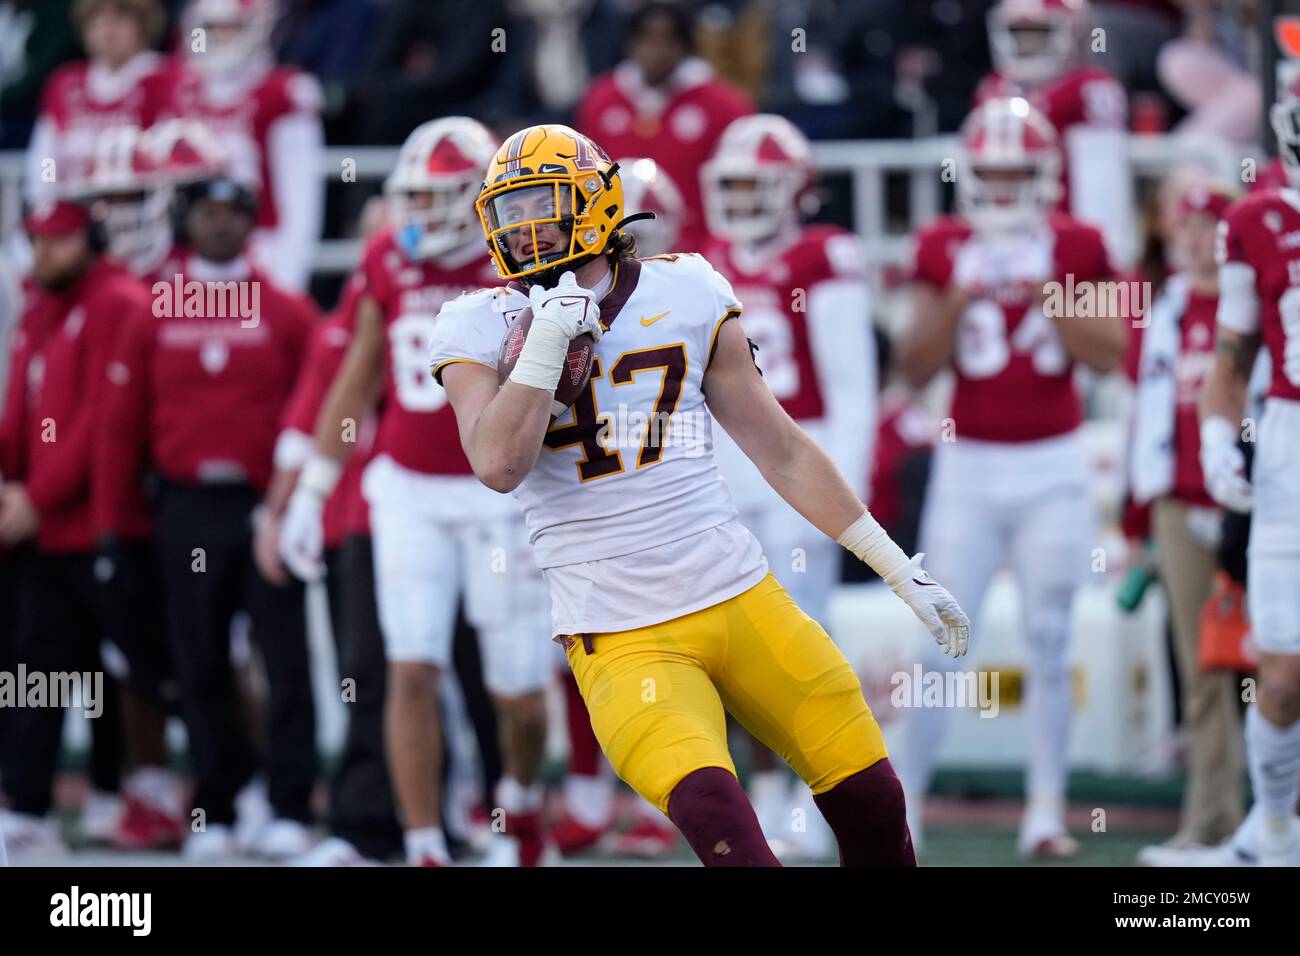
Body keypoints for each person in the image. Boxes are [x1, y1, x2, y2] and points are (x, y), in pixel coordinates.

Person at [429, 123, 970, 867]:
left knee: (875, 803)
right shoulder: (474, 322)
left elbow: (777, 445)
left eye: (541, 205)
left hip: (739, 595)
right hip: (621, 634)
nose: (522, 231)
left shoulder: (687, 289)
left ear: (592, 204)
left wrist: (891, 563)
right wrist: (546, 342)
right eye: (509, 210)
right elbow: (497, 462)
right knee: (729, 834)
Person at [278, 118, 554, 868]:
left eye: (441, 199)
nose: (423, 217)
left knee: (519, 693)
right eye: (415, 199)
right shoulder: (389, 259)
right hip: (407, 491)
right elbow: (359, 372)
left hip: (498, 495)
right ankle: (426, 844)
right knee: (411, 666)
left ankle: (523, 807)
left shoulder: (525, 263)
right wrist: (314, 489)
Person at [896, 98, 1126, 858]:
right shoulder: (942, 244)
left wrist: (1047, 292)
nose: (999, 190)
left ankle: (1047, 810)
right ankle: (908, 810)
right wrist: (962, 290)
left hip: (1054, 463)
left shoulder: (1079, 242)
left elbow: (1110, 353)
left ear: (1045, 176)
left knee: (1049, 639)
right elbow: (913, 364)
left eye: (1013, 175)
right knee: (935, 639)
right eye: (988, 174)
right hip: (966, 465)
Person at [96, 168, 319, 862]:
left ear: (251, 221)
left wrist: (298, 501)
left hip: (266, 508)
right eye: (208, 212)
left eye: (234, 212)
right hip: (185, 506)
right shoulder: (153, 308)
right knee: (198, 661)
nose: (220, 223)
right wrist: (118, 521)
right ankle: (216, 804)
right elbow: (122, 421)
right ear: (187, 220)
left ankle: (287, 804)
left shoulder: (286, 308)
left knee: (284, 660)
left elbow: (315, 408)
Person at [700, 112, 876, 858]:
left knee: (803, 647)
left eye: (755, 184)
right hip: (725, 474)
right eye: (732, 184)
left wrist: (849, 497)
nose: (741, 200)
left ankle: (823, 796)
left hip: (799, 466)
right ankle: (767, 793)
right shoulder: (700, 261)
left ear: (795, 190)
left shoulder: (823, 256)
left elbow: (853, 385)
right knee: (739, 652)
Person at [1167, 79, 1300, 867]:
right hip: (1289, 439)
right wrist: (1219, 437)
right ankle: (1275, 830)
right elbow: (1232, 355)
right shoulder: (1257, 221)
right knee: (1280, 676)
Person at [0, 199, 145, 856]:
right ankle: (36, 804)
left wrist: (36, 496)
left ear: (88, 239)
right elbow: (21, 409)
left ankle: (124, 795)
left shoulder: (116, 301)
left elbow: (102, 421)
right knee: (47, 671)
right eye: (37, 242)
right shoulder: (40, 308)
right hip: (46, 531)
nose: (43, 254)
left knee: (125, 670)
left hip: (100, 525)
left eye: (56, 242)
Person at [1128, 181, 1245, 863]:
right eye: (1188, 226)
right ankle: (1212, 823)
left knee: (1271, 663)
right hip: (1180, 498)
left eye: (1211, 224)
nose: (1199, 239)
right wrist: (1141, 506)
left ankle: (1271, 820)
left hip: (1249, 503)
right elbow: (1148, 411)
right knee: (1202, 668)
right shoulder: (1165, 306)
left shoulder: (1254, 303)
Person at [169, 0, 324, 291]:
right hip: (190, 254)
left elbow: (302, 203)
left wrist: (288, 278)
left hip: (262, 249)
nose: (223, 36)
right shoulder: (180, 90)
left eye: (233, 27)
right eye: (213, 27)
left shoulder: (282, 92)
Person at [575, 1, 753, 252]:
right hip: (616, 247)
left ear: (686, 46)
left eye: (667, 39)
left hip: (698, 250)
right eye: (646, 37)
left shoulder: (723, 105)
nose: (655, 50)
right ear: (630, 43)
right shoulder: (600, 100)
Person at [974, 0, 1137, 266]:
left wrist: (1101, 245)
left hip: (1064, 229)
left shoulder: (1090, 88)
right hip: (1000, 240)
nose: (1027, 43)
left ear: (1070, 33)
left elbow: (1103, 185)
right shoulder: (992, 88)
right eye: (1019, 33)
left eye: (1039, 32)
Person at [25, 0, 175, 203]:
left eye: (119, 19)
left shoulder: (164, 77)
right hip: (74, 210)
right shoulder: (65, 82)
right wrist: (47, 198)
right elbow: (47, 157)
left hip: (138, 210)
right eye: (96, 20)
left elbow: (173, 155)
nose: (107, 29)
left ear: (144, 25)